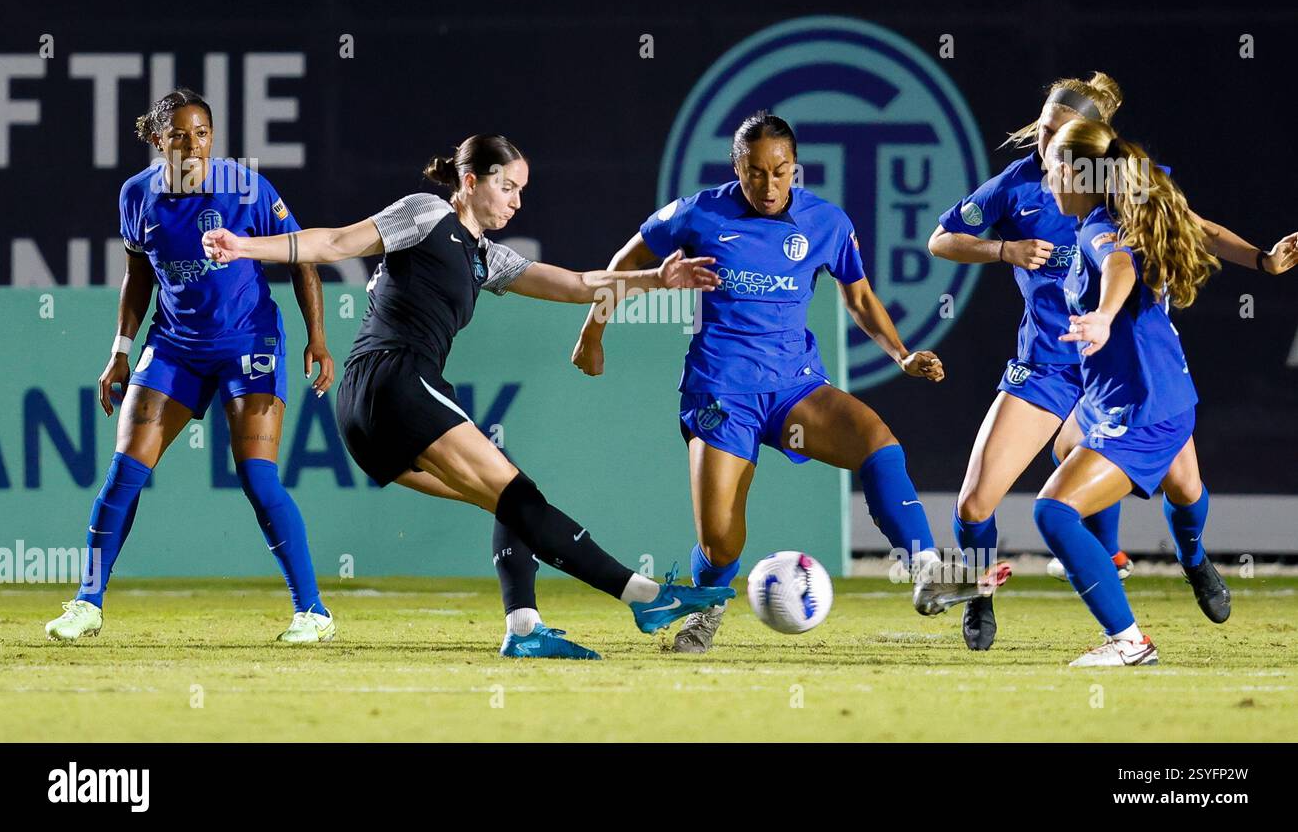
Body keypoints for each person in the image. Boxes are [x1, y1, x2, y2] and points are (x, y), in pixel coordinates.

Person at [202, 133, 734, 659]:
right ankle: (646, 597)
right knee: (517, 495)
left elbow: (576, 283)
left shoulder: (486, 259)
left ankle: (524, 627)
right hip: (395, 380)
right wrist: (245, 247)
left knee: (513, 500)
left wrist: (657, 278)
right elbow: (336, 243)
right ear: (471, 180)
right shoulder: (427, 214)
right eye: (507, 186)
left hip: (368, 410)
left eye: (522, 191)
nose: (516, 201)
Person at [572, 111, 1008, 655]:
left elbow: (860, 297)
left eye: (780, 171)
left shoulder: (827, 222)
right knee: (722, 539)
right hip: (720, 394)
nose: (769, 184)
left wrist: (901, 355)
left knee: (878, 443)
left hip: (793, 387)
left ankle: (924, 568)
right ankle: (704, 612)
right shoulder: (697, 213)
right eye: (755, 172)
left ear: (795, 167)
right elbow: (624, 262)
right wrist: (593, 333)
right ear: (737, 167)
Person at [929, 73, 1298, 650]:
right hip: (1051, 366)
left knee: (1182, 487)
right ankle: (985, 592)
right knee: (978, 500)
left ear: (1091, 141)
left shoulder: (1120, 194)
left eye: (1059, 130)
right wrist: (1005, 249)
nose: (1045, 139)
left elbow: (1171, 239)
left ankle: (1189, 561)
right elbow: (941, 239)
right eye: (1044, 125)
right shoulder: (1021, 183)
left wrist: (1261, 262)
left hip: (1124, 371)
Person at [46, 89, 338, 644]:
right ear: (158, 141)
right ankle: (87, 602)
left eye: (202, 132)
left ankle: (313, 611)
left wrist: (317, 340)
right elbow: (138, 276)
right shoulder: (137, 195)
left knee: (256, 473)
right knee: (125, 471)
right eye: (179, 134)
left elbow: (303, 258)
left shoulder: (247, 187)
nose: (193, 144)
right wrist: (120, 348)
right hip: (175, 345)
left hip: (247, 342)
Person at [1039, 117, 1227, 666]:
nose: (1048, 183)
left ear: (1078, 175)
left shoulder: (1101, 226)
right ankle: (1167, 557)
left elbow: (1119, 263)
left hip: (1144, 404)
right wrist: (1263, 260)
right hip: (1143, 390)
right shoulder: (1128, 206)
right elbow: (1194, 229)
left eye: (1053, 172)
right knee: (1180, 486)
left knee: (1053, 513)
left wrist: (1100, 315)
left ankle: (1129, 642)